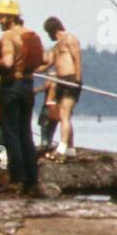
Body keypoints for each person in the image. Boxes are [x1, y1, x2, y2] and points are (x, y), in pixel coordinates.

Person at [0, 0, 45, 192]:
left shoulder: (8, 36)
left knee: (10, 133)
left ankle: (17, 179)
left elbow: (7, 62)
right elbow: (42, 61)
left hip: (11, 85)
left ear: (10, 17)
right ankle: (33, 180)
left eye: (1, 16)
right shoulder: (29, 34)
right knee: (26, 133)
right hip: (28, 85)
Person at [39, 17, 83, 159]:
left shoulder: (70, 39)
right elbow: (46, 64)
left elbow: (77, 58)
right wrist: (29, 70)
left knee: (64, 113)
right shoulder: (56, 47)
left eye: (48, 33)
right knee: (65, 115)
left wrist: (77, 78)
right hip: (60, 81)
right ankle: (70, 148)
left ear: (53, 30)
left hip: (71, 79)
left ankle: (62, 147)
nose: (48, 36)